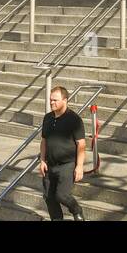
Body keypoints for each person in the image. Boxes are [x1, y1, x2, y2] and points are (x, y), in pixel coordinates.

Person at [38, 85, 86, 221]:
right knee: (48, 196)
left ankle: (76, 210)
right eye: (50, 100)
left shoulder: (74, 119)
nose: (52, 103)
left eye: (55, 100)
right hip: (50, 164)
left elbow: (81, 144)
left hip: (67, 165)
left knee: (61, 195)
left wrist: (80, 166)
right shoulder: (47, 118)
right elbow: (44, 141)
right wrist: (42, 160)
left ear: (65, 100)